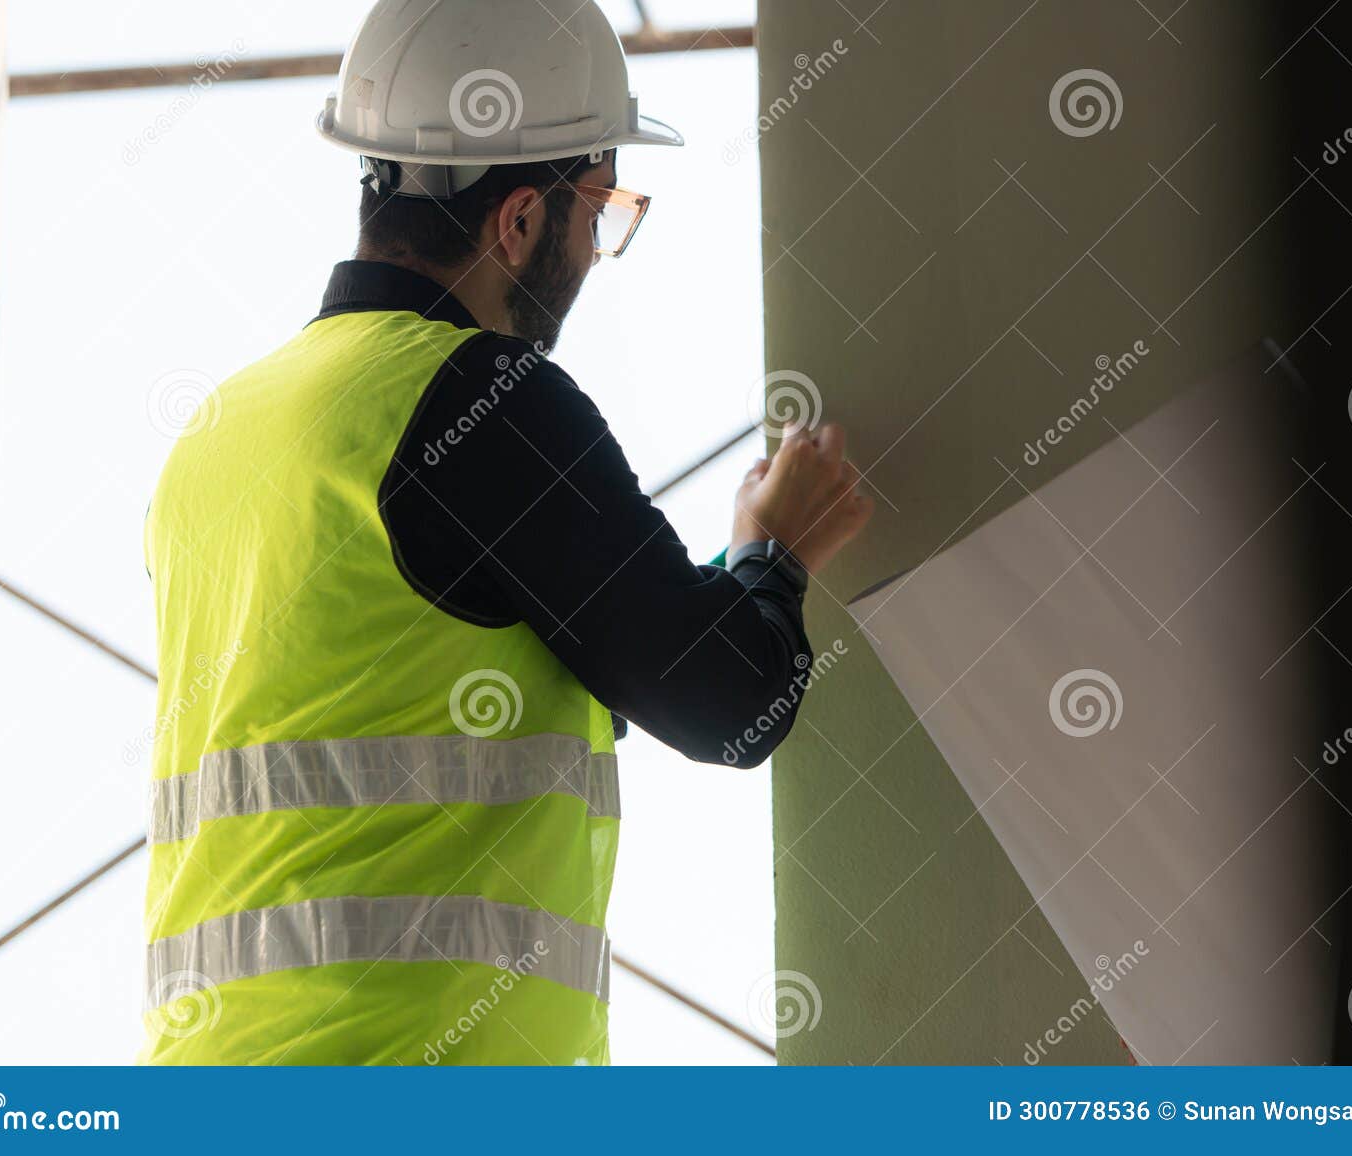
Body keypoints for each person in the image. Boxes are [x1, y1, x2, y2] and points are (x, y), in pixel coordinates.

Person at [140, 0, 872, 1065]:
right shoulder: (480, 400)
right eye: (599, 213)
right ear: (520, 221)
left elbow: (426, 671)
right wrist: (773, 554)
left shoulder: (221, 432)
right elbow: (729, 701)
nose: (595, 247)